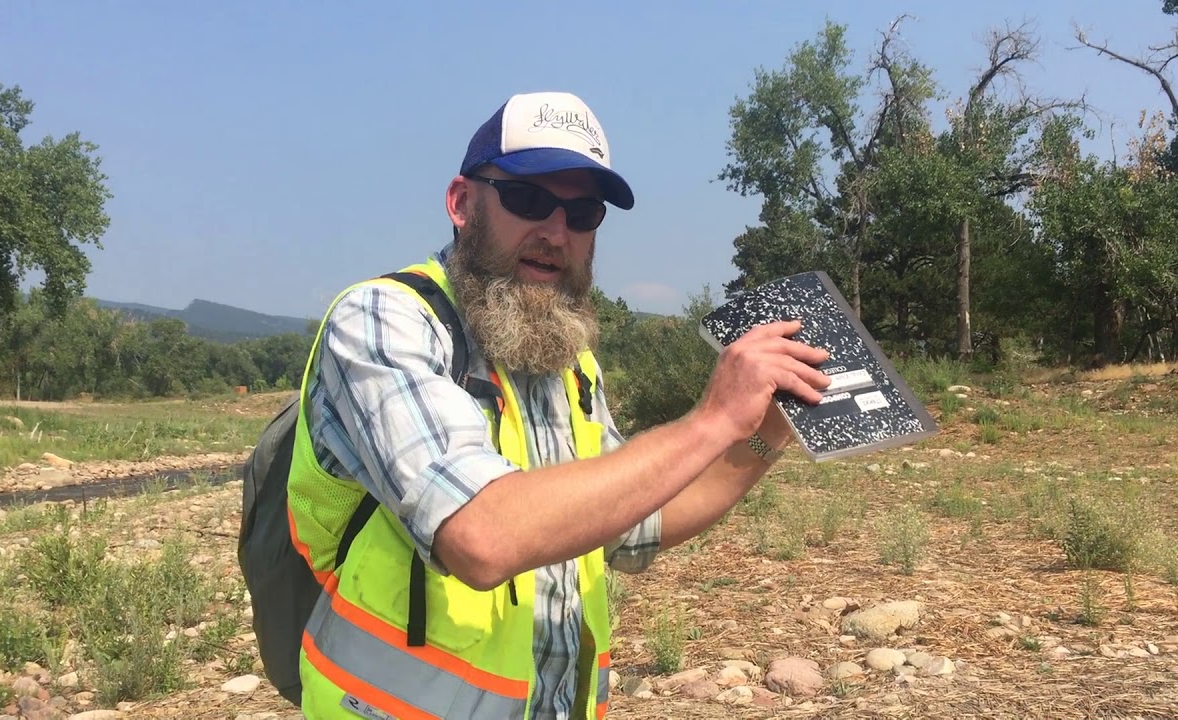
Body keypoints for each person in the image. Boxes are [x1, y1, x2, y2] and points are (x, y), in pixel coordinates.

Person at [284, 90, 832, 720]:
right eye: (527, 199)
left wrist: (766, 433)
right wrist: (712, 420)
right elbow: (481, 535)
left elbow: (635, 525)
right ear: (462, 203)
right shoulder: (384, 321)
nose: (555, 232)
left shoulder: (565, 359)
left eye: (583, 213)